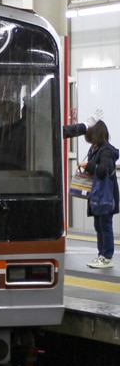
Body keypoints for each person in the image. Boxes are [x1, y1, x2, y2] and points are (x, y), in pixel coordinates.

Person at [64, 109, 118, 268]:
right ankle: (101, 254)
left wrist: (89, 165)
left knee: (105, 225)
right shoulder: (95, 149)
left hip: (105, 196)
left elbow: (104, 170)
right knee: (99, 225)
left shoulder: (106, 150)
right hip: (98, 195)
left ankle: (106, 256)